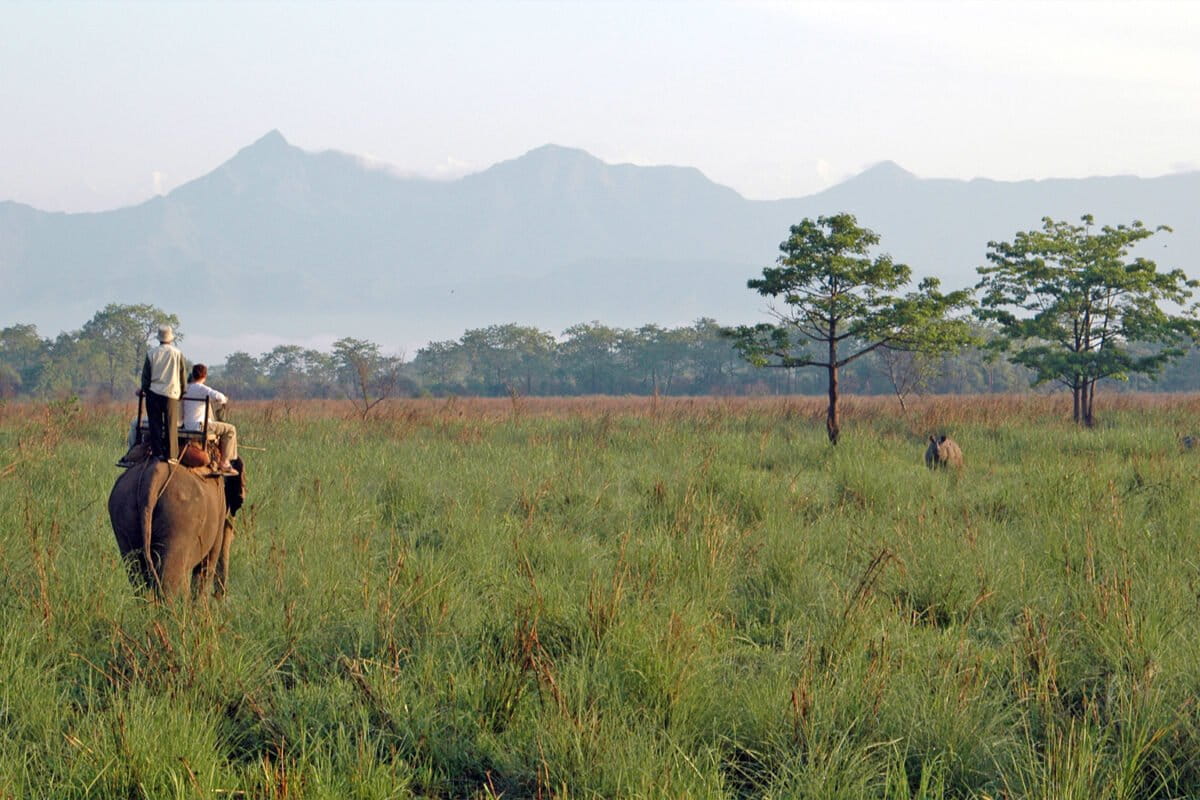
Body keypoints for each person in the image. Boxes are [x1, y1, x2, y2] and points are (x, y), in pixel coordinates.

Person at [140, 325, 187, 462]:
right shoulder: (177, 353)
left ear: (159, 339)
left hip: (154, 392)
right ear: (170, 338)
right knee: (170, 424)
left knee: (155, 425)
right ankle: (172, 455)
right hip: (171, 393)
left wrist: (145, 390)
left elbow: (146, 377)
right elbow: (182, 374)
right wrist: (182, 391)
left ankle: (157, 453)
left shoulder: (151, 353)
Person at [182, 363, 240, 476]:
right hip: (200, 426)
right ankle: (225, 462)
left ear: (192, 375)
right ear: (204, 376)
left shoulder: (185, 388)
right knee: (231, 429)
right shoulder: (202, 389)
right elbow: (219, 397)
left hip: (187, 425)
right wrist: (224, 400)